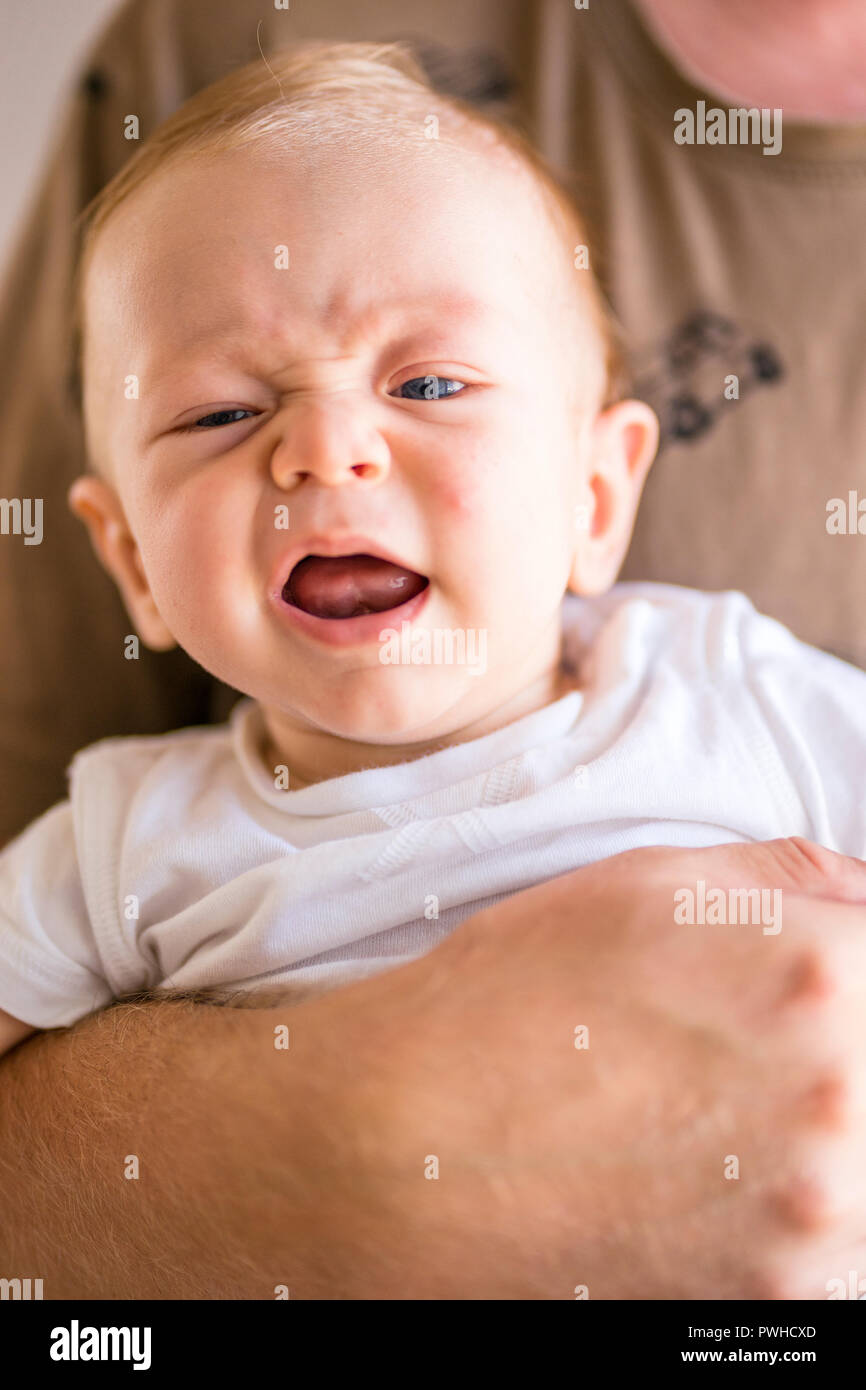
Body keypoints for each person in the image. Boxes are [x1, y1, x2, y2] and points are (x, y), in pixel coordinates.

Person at [1, 1, 864, 1300]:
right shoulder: (120, 841)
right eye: (222, 410)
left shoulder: (728, 691)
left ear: (592, 495)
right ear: (131, 561)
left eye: (428, 385)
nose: (323, 448)